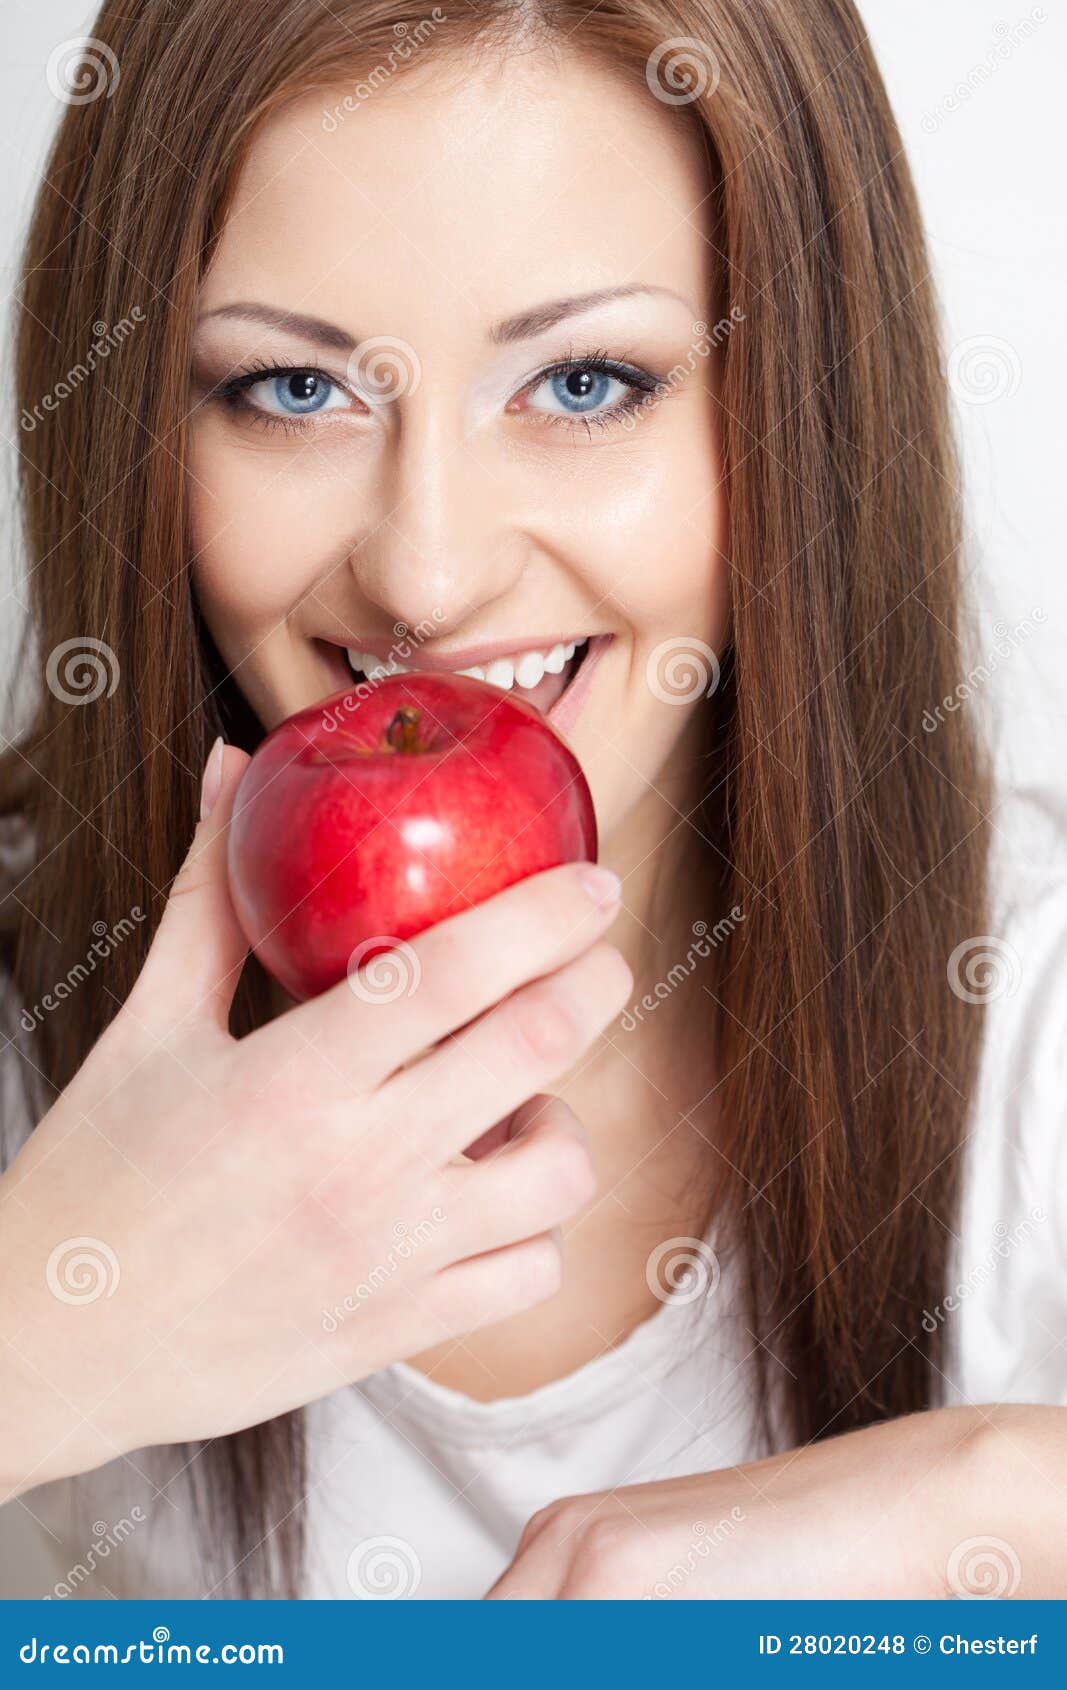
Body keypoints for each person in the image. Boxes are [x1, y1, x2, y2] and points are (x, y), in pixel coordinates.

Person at [1, 0, 1063, 1600]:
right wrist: (47, 1327)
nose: (426, 574)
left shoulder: (1029, 1020)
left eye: (582, 384)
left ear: (802, 414)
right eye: (292, 390)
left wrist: (1002, 1491)